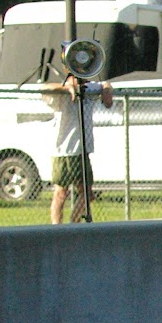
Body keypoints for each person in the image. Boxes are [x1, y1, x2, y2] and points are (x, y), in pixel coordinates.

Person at [47, 74, 114, 224]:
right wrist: (66, 88)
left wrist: (107, 90)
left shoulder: (89, 89)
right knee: (61, 193)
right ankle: (56, 228)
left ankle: (74, 223)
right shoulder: (60, 94)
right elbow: (45, 89)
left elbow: (105, 84)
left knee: (87, 193)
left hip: (83, 150)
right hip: (65, 150)